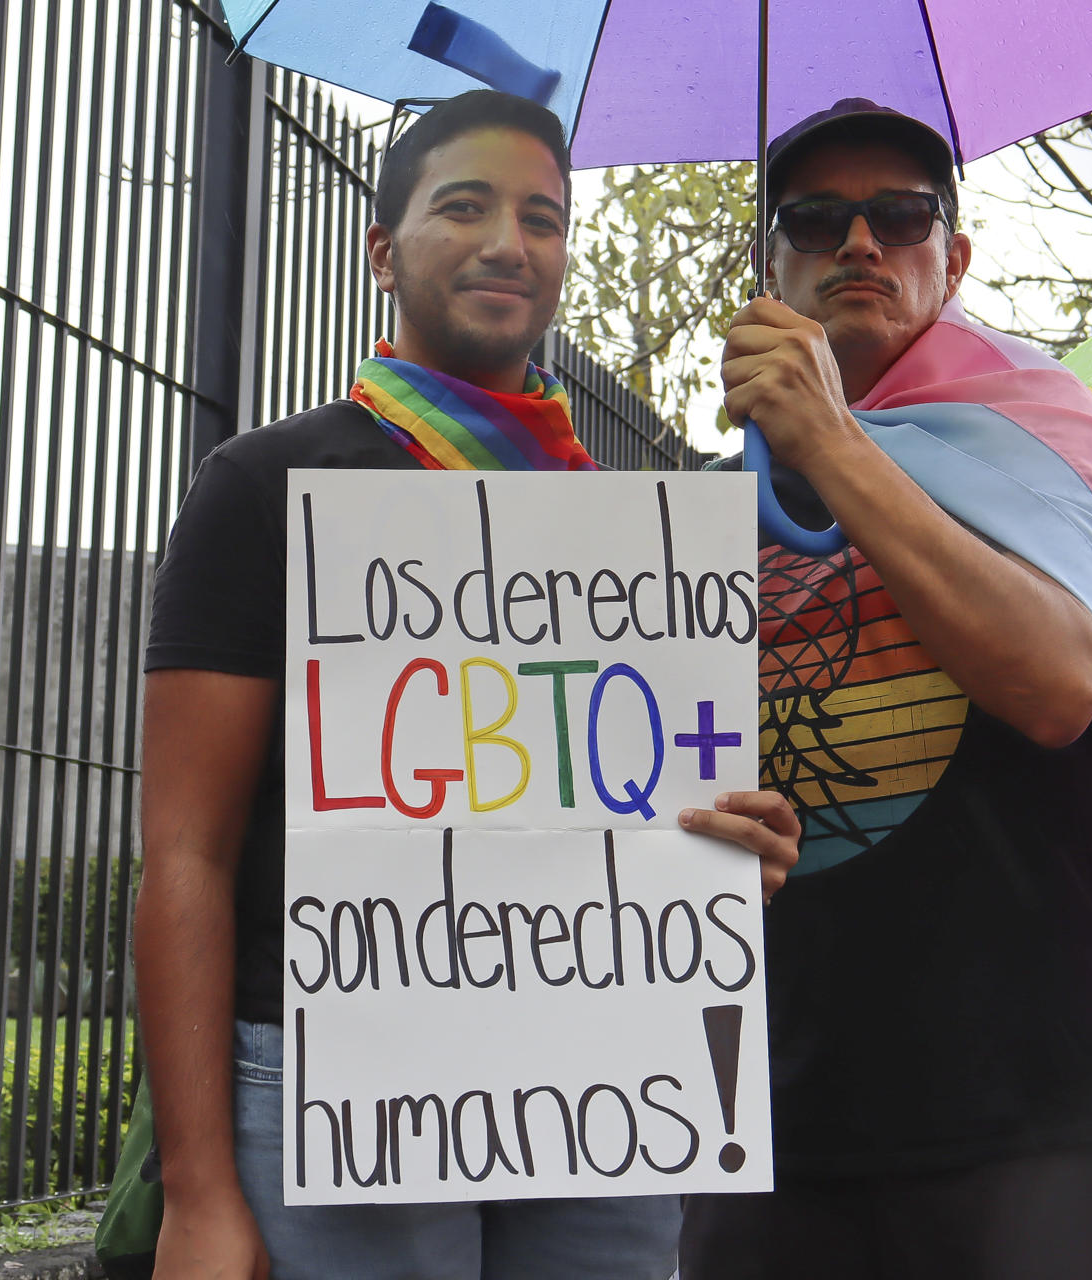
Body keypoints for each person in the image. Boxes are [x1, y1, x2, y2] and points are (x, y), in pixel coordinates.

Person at [135, 90, 794, 1280]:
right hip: (335, 1080)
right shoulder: (264, 482)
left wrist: (727, 850)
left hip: (601, 1085)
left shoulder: (628, 527)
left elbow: (643, 810)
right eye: (466, 206)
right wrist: (197, 1188)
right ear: (382, 250)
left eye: (543, 217)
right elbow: (185, 853)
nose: (510, 241)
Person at [679, 98, 1092, 1280]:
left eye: (901, 215)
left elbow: (1062, 687)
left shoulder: (1042, 445)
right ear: (771, 266)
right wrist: (695, 832)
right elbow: (650, 799)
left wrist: (839, 445)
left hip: (1030, 1119)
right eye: (815, 218)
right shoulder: (694, 518)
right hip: (771, 1117)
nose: (860, 243)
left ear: (952, 259)